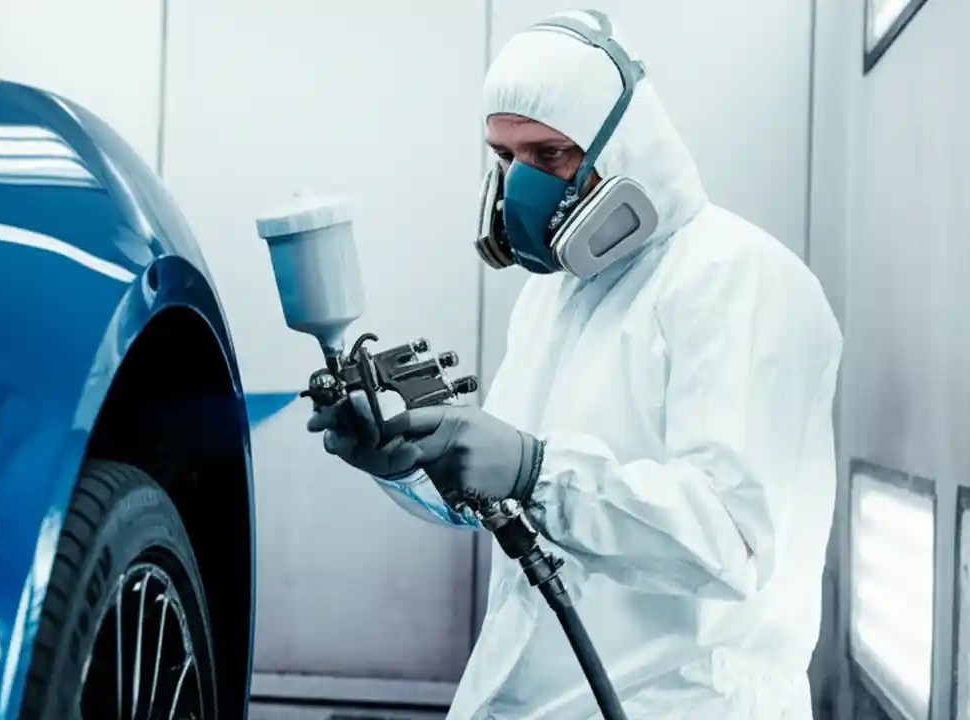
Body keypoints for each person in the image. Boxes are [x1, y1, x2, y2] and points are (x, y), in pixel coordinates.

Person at [308, 9, 842, 720]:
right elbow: (510, 507)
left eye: (549, 156)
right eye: (504, 158)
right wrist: (406, 459)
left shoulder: (738, 278)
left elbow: (731, 540)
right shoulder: (553, 299)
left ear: (625, 152)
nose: (518, 188)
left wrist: (535, 468)